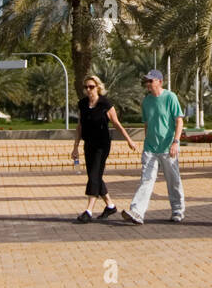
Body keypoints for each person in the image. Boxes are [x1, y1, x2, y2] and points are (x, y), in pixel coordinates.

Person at [122, 70, 186, 224]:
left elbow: (179, 121)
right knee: (146, 180)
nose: (148, 84)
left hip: (168, 148)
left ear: (160, 82)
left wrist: (176, 142)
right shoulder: (146, 101)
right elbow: (147, 124)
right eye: (147, 82)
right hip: (150, 148)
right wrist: (146, 142)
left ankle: (178, 210)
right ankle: (137, 212)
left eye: (151, 81)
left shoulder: (170, 97)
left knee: (173, 180)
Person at [72, 75, 137, 223]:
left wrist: (129, 140)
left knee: (94, 174)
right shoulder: (82, 104)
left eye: (91, 87)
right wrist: (75, 147)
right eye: (86, 87)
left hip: (102, 145)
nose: (88, 90)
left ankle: (88, 210)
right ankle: (110, 205)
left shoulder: (105, 104)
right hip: (88, 144)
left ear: (98, 87)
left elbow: (116, 123)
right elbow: (80, 126)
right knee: (94, 175)